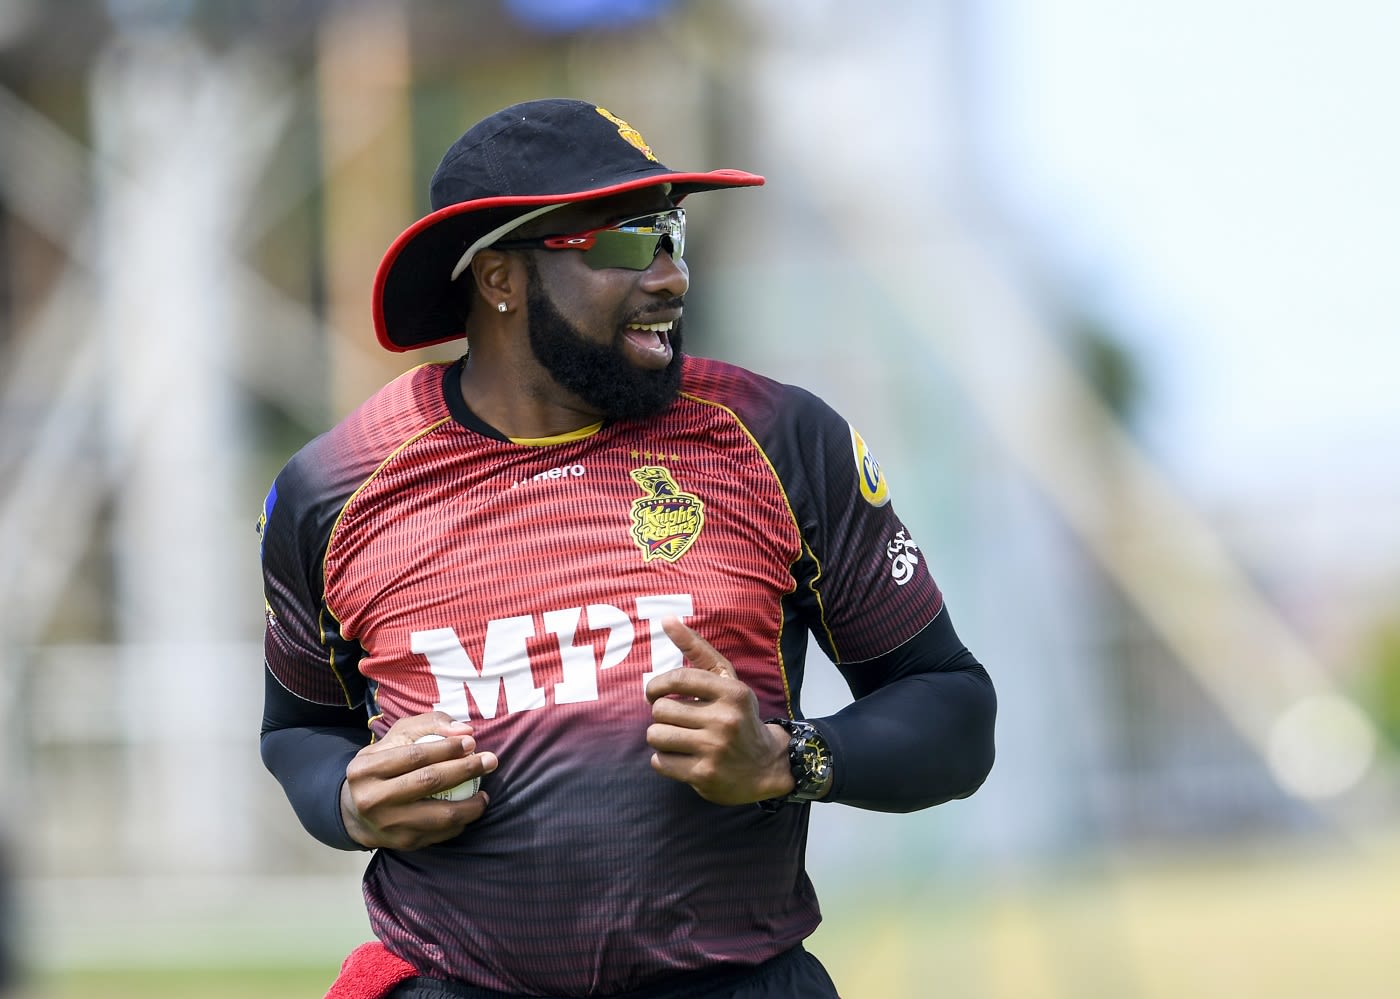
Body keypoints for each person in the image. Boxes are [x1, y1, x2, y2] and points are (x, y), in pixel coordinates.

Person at [258, 98, 996, 999]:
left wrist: (785, 758)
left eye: (671, 234)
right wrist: (347, 797)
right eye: (621, 243)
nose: (670, 274)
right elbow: (299, 732)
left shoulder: (777, 436)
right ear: (500, 277)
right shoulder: (333, 488)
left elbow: (955, 709)